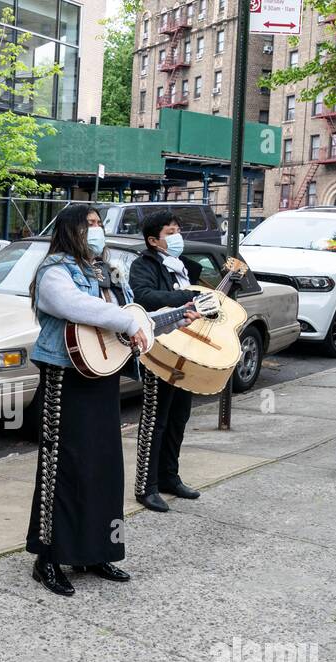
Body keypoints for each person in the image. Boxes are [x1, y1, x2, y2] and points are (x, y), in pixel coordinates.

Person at [26, 205, 152, 597]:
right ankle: (47, 558)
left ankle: (96, 551)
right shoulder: (54, 271)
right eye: (91, 224)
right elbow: (76, 306)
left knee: (103, 465)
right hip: (65, 376)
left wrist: (150, 324)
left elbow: (126, 313)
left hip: (101, 374)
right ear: (71, 230)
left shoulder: (107, 271)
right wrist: (128, 322)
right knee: (62, 467)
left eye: (100, 224)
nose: (98, 231)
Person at [127, 210, 204, 510]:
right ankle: (147, 485)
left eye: (177, 230)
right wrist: (183, 298)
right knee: (155, 420)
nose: (177, 236)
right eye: (170, 232)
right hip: (159, 349)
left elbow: (202, 296)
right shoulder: (142, 264)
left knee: (179, 415)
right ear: (153, 240)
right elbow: (143, 296)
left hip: (186, 350)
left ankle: (170, 476)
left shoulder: (182, 265)